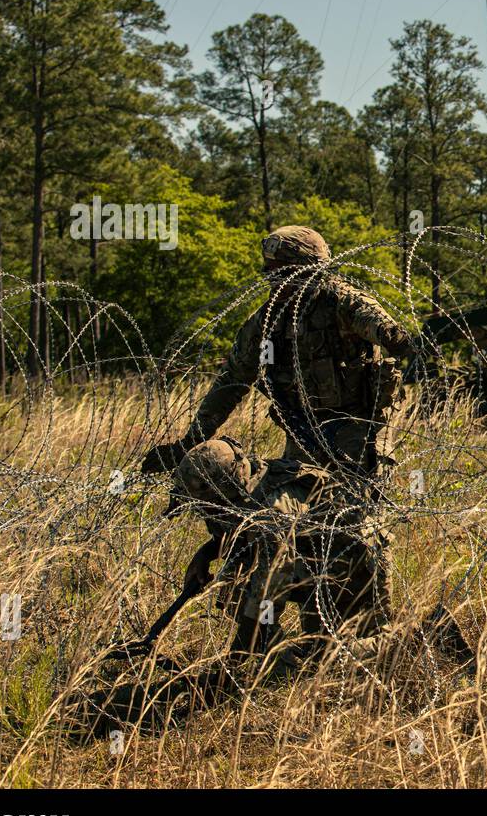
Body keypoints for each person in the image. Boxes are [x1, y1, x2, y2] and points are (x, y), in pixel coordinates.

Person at [141, 225, 415, 483]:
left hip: (359, 426)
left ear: (305, 271)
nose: (268, 276)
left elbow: (390, 332)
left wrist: (403, 343)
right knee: (296, 508)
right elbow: (232, 382)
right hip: (304, 430)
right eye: (267, 269)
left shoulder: (342, 301)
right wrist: (190, 442)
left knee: (352, 516)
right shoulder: (267, 321)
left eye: (278, 271)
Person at [166, 437, 388, 670]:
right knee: (232, 585)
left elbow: (273, 583)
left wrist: (236, 656)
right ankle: (282, 659)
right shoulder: (245, 484)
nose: (205, 510)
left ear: (224, 487)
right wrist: (206, 553)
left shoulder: (270, 511)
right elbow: (242, 538)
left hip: (354, 568)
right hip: (316, 561)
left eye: (208, 502)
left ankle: (405, 640)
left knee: (332, 661)